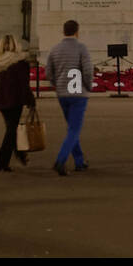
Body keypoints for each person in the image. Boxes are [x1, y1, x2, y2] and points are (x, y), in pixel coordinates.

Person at [45, 19, 93, 176]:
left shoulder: (55, 49)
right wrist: (89, 86)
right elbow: (87, 70)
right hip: (78, 93)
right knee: (74, 129)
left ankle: (79, 161)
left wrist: (57, 84)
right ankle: (61, 160)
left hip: (62, 94)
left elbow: (48, 73)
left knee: (72, 128)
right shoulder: (81, 48)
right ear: (77, 32)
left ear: (63, 31)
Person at [0, 34, 34, 172]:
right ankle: (3, 161)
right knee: (11, 131)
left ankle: (18, 154)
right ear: (15, 45)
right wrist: (30, 101)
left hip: (2, 101)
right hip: (15, 101)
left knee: (11, 129)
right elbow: (24, 84)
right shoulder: (20, 63)